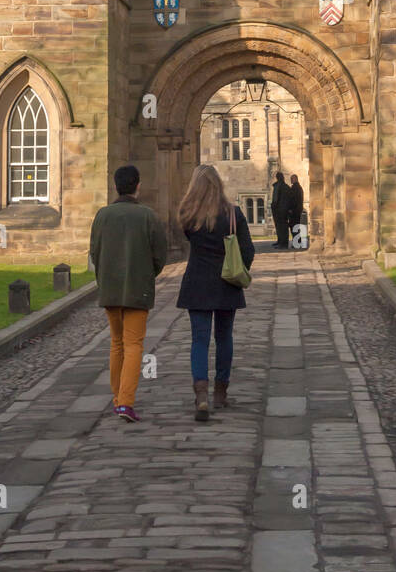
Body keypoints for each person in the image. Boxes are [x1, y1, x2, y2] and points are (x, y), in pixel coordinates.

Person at [90, 164, 167, 425]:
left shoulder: (102, 215)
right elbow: (160, 255)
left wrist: (106, 278)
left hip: (110, 288)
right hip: (137, 288)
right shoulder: (148, 216)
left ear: (116, 186)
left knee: (116, 344)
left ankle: (118, 398)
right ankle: (125, 402)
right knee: (134, 345)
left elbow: (95, 252)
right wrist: (146, 274)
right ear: (138, 186)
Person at [176, 164, 255, 422]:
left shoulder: (188, 214)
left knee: (199, 340)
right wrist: (239, 269)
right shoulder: (233, 214)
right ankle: (221, 392)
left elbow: (189, 238)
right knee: (224, 338)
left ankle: (201, 396)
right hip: (226, 282)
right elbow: (248, 250)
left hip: (197, 282)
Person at [271, 170, 291, 249]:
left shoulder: (279, 186)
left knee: (281, 226)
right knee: (281, 226)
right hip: (283, 209)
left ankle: (283, 243)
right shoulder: (285, 186)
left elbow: (275, 199)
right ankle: (281, 241)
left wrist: (274, 206)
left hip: (279, 209)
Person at [287, 174, 305, 244]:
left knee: (294, 226)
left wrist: (291, 209)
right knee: (295, 226)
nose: (291, 180)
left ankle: (297, 241)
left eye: (292, 179)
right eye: (291, 179)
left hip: (294, 211)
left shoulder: (296, 188)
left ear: (296, 179)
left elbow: (294, 200)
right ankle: (298, 241)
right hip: (297, 210)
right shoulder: (298, 187)